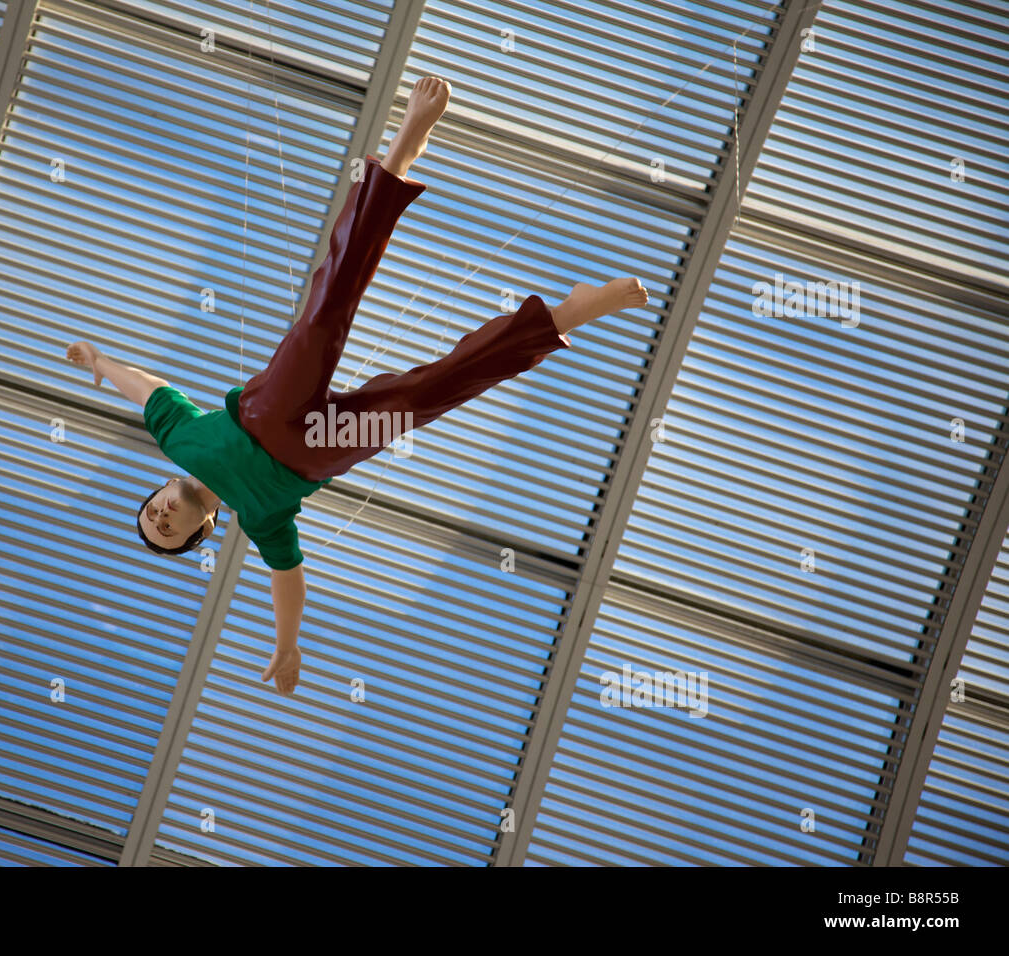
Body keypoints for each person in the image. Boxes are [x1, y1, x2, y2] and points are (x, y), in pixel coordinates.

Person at [66, 77, 649, 695]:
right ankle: (560, 317)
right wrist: (287, 648)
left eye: (149, 513)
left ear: (155, 488)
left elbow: (146, 387)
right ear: (204, 532)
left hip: (268, 409)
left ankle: (398, 157)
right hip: (320, 445)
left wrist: (102, 363)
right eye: (167, 531)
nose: (159, 517)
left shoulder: (177, 440)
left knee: (326, 307)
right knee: (424, 399)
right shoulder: (261, 520)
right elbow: (288, 581)